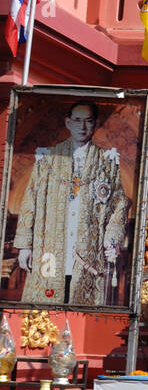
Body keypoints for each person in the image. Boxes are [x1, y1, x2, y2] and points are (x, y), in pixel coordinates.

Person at [13, 102, 128, 306]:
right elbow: (29, 201)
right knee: (47, 303)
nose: (82, 127)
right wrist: (24, 246)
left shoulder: (107, 162)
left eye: (88, 121)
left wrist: (111, 242)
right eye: (77, 120)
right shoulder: (48, 159)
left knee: (81, 306)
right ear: (68, 122)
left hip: (87, 250)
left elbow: (118, 206)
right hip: (50, 247)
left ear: (96, 124)